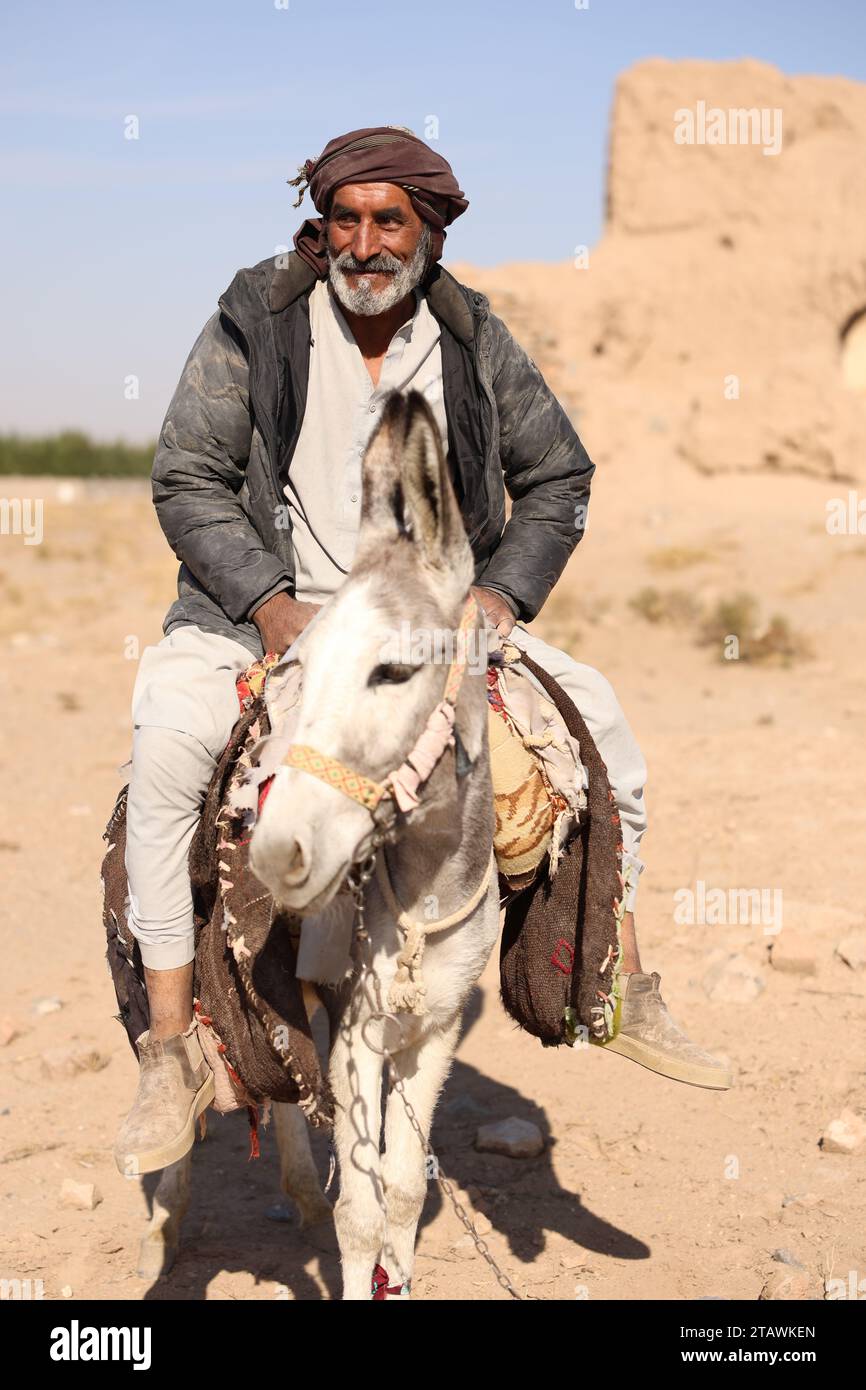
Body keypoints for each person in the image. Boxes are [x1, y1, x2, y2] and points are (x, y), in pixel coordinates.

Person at [115, 125, 730, 1179]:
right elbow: (187, 477)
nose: (363, 243)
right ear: (320, 228)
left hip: (428, 624)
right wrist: (264, 604)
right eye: (342, 219)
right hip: (266, 615)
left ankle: (612, 981)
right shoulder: (253, 322)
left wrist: (496, 596)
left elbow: (558, 479)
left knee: (601, 735)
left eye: (387, 220)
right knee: (170, 745)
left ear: (427, 234)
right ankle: (170, 1049)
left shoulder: (472, 338)